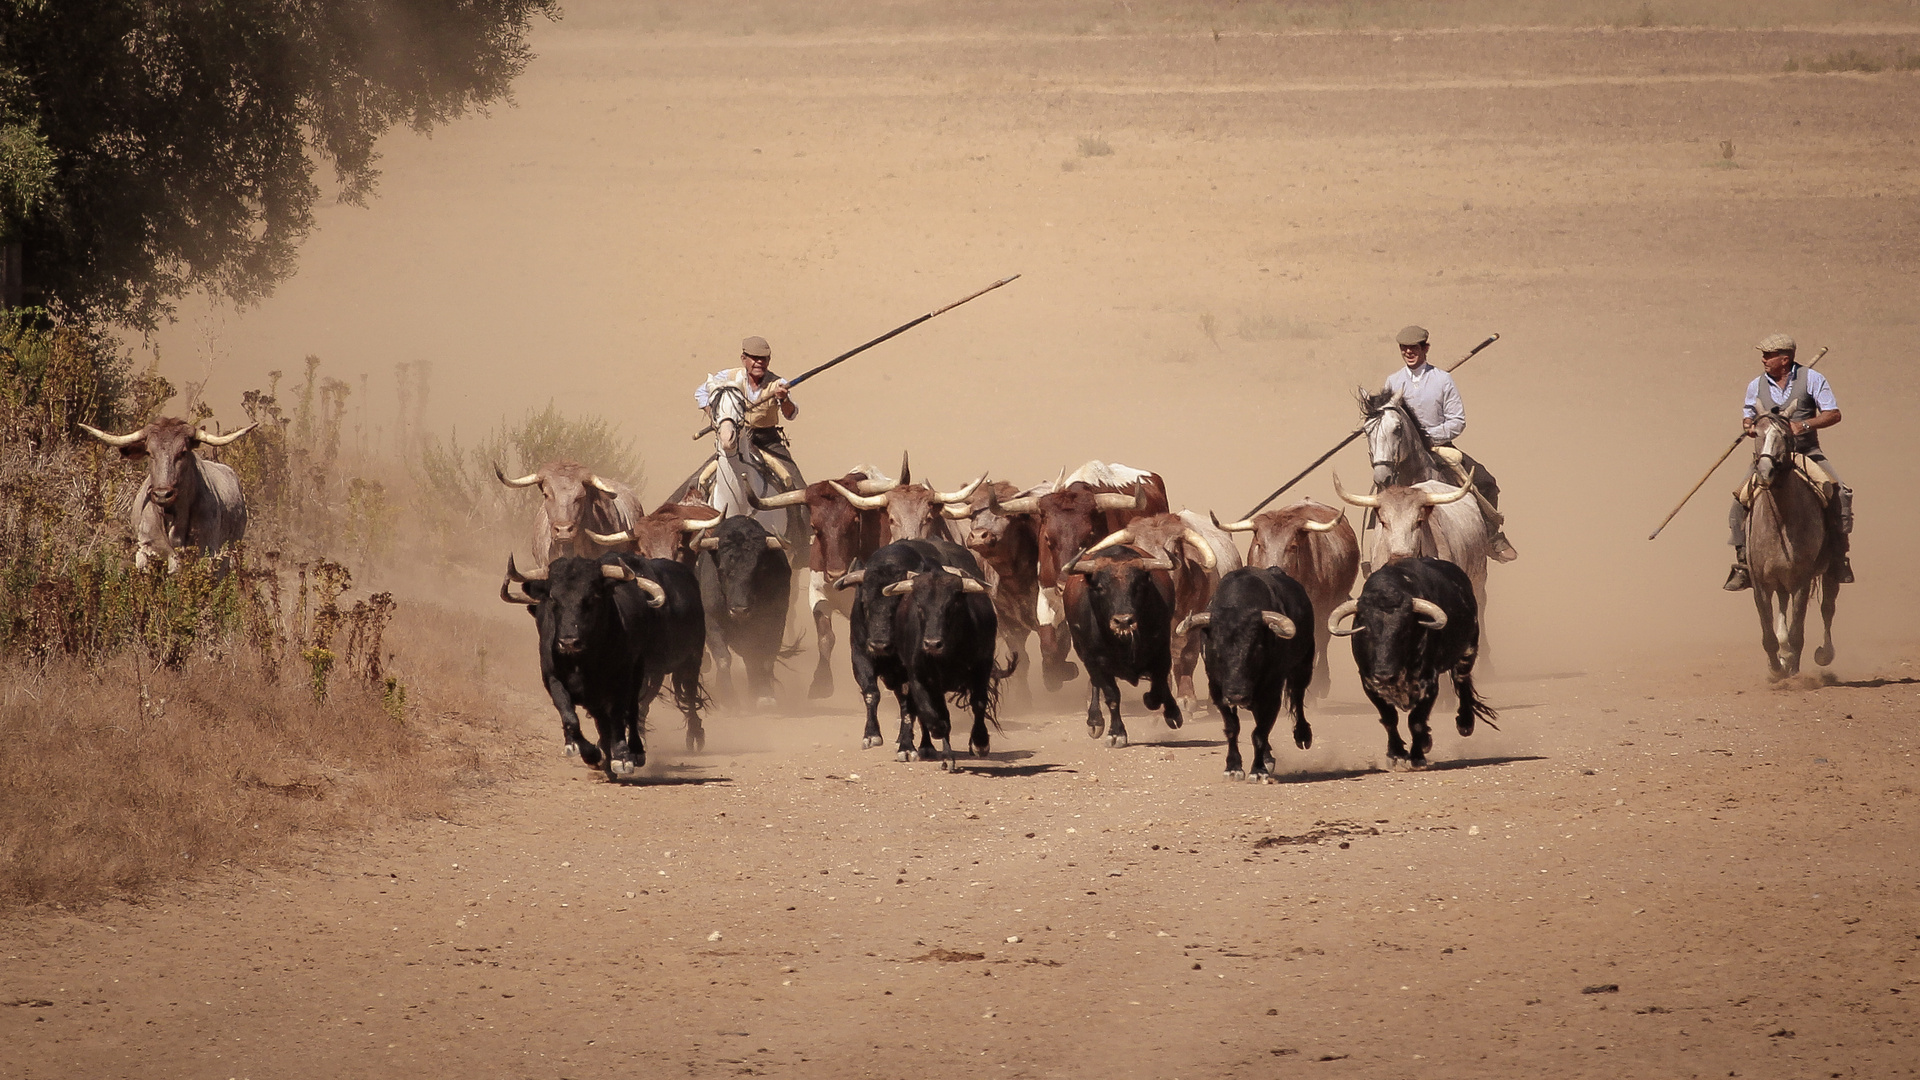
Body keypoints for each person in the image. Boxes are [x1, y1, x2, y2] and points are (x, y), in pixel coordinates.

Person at [1724, 333, 1851, 591]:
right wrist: (1749, 426)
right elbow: (1748, 415)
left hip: (1805, 453)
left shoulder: (1812, 379)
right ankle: (1744, 566)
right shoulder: (1755, 385)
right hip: (1767, 457)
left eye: (1768, 355)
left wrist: (1802, 425)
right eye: (1764, 355)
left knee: (1841, 493)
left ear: (1785, 358)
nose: (1763, 359)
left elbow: (1833, 414)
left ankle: (1839, 558)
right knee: (1738, 503)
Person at [1382, 325, 1517, 561]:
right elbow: (1387, 419)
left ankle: (1491, 536)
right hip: (1402, 454)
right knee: (1381, 492)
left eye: (1414, 348)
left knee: (1485, 481)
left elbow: (1457, 421)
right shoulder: (1393, 382)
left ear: (1425, 348)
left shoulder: (1442, 380)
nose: (1408, 352)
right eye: (1404, 348)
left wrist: (1428, 436)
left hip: (1438, 448)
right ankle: (1371, 554)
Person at [693, 335, 800, 488]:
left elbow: (791, 414)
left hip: (768, 441)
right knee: (697, 482)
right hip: (735, 438)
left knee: (797, 484)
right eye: (755, 358)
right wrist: (714, 416)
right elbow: (701, 392)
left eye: (764, 359)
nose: (759, 363)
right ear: (744, 358)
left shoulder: (778, 383)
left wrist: (784, 399)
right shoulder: (728, 376)